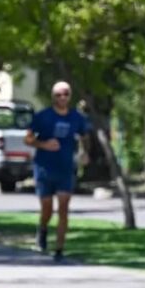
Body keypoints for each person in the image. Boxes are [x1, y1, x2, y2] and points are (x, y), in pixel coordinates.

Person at [24, 81, 89, 262]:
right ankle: (42, 231)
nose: (63, 97)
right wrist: (43, 144)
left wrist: (84, 152)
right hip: (44, 168)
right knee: (47, 209)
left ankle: (59, 249)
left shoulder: (76, 117)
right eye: (59, 94)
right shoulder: (43, 116)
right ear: (53, 97)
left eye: (66, 94)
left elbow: (84, 136)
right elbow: (28, 139)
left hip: (65, 169)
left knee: (63, 209)